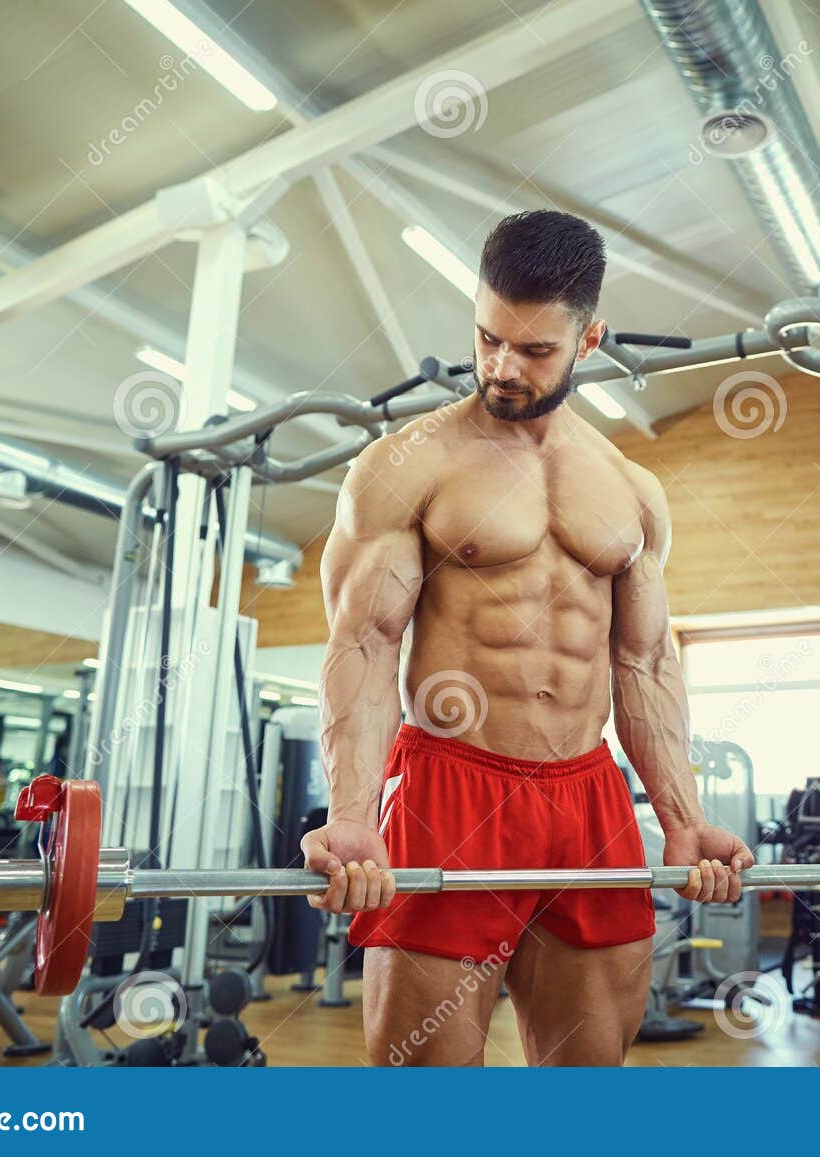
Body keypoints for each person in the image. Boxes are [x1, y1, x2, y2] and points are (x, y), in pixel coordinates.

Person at [301, 209, 752, 1066]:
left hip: (588, 797)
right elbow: (362, 645)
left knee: (587, 1080)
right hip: (450, 789)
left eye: (535, 349)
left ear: (589, 340)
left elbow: (646, 662)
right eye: (488, 338)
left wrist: (683, 820)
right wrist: (355, 817)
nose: (502, 367)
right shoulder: (408, 467)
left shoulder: (631, 489)